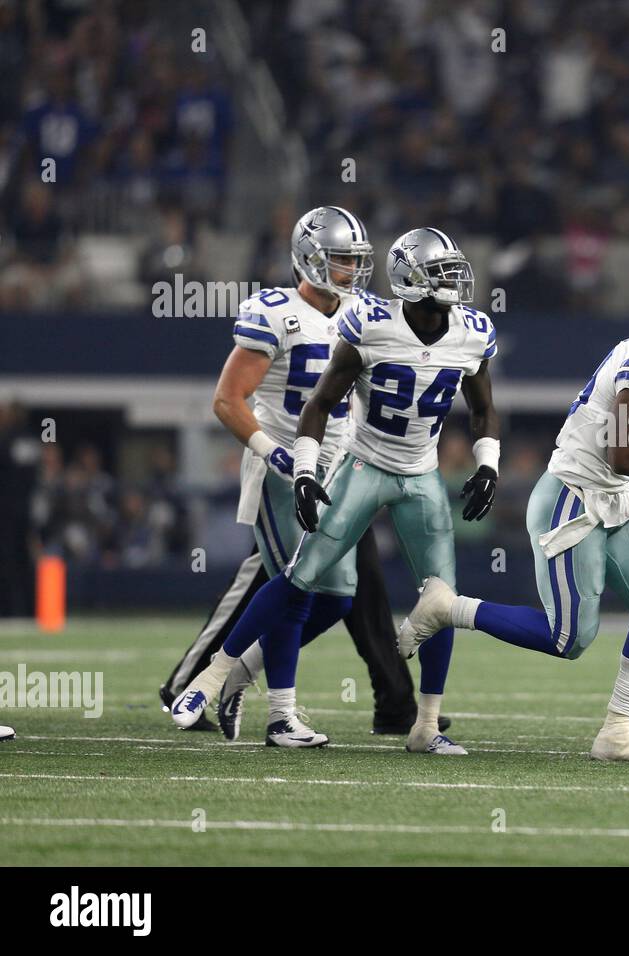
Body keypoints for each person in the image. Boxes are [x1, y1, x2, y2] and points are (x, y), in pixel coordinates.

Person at [398, 264, 629, 762]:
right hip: (573, 497)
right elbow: (622, 454)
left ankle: (616, 734)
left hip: (611, 494)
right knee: (567, 638)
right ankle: (447, 608)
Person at [171, 227, 499, 752]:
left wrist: (487, 463)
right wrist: (297, 465)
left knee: (418, 600)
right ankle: (217, 681)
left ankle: (424, 724)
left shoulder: (470, 330)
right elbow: (311, 402)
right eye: (440, 271)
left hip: (407, 470)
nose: (454, 280)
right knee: (297, 581)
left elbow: (482, 409)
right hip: (342, 465)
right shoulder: (360, 322)